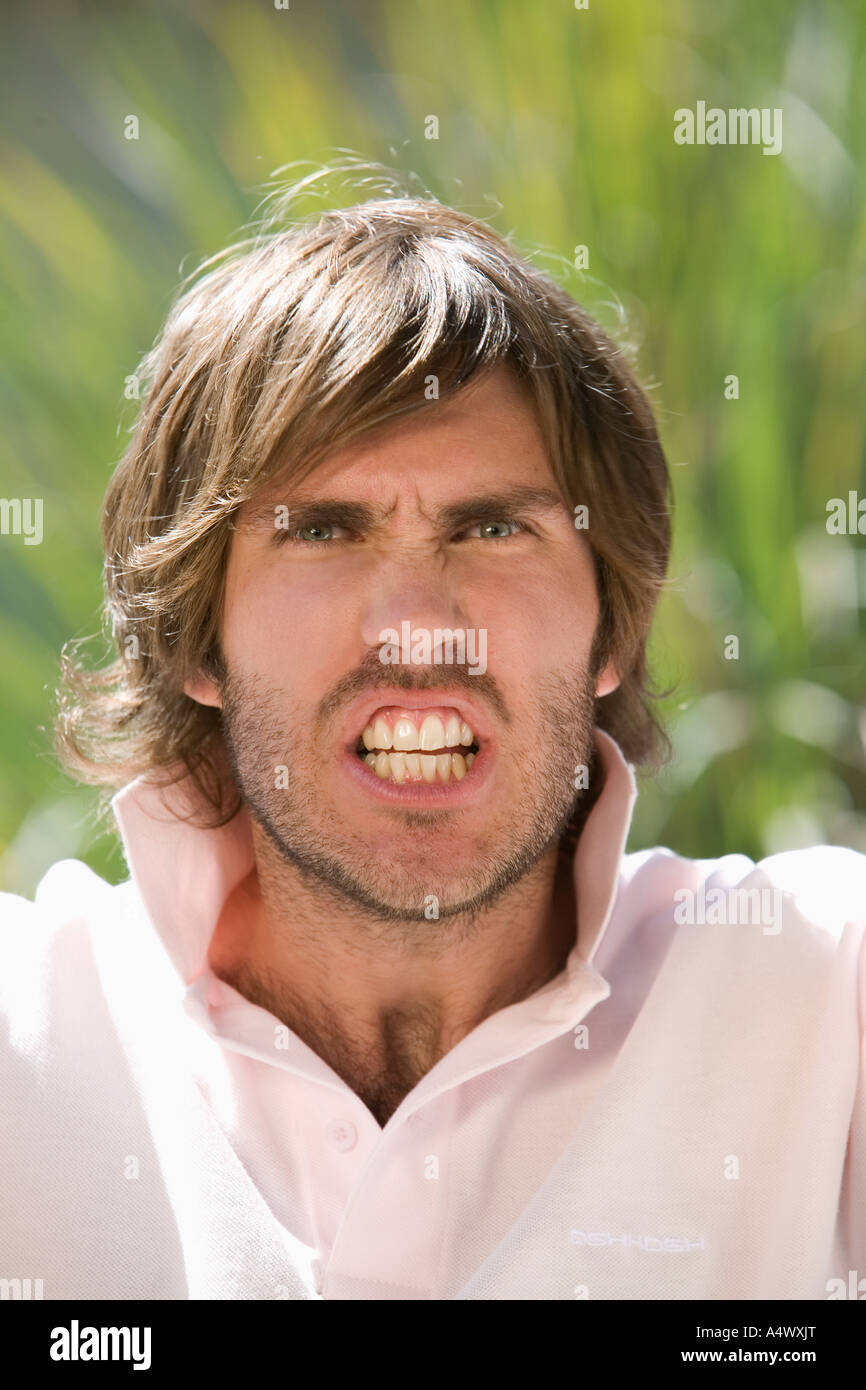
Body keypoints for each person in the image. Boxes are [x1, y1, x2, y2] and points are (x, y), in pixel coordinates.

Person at [1, 185, 863, 1302]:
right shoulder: (27, 1039)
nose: (415, 623)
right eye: (321, 530)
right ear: (196, 640)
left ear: (614, 624)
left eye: (492, 527)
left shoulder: (822, 994)